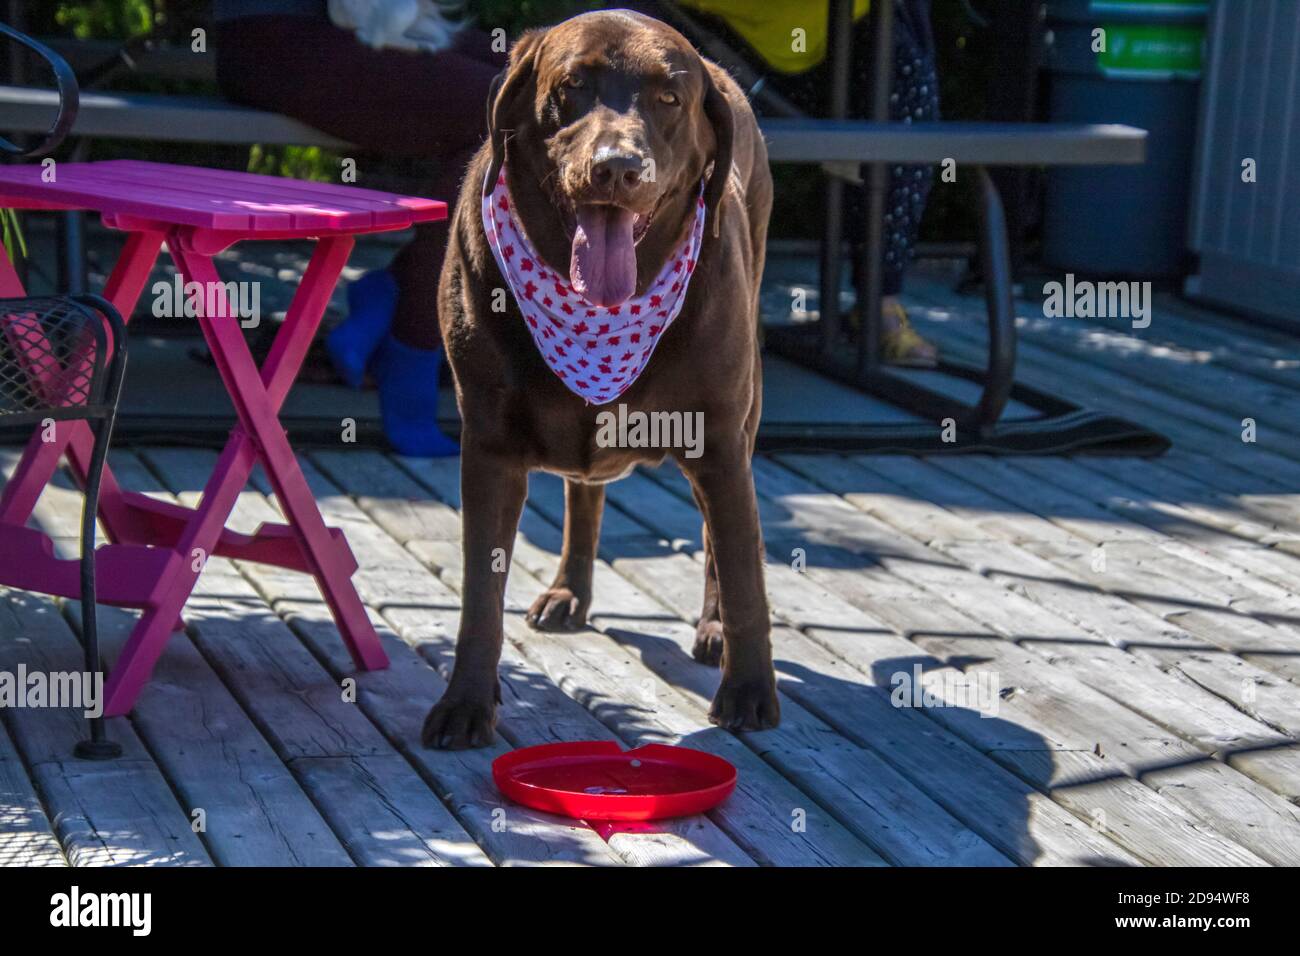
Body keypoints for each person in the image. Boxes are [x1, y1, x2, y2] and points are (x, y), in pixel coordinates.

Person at [213, 0, 507, 455]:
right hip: (278, 38)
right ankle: (410, 342)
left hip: (370, 22)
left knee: (542, 78)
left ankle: (397, 302)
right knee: (507, 109)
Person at [670, 0, 941, 365]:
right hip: (707, 23)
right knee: (692, 129)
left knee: (906, 103)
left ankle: (879, 302)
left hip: (845, 26)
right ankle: (724, 304)